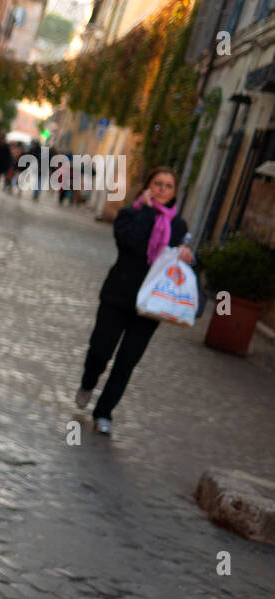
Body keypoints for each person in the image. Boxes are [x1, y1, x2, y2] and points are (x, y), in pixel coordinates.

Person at [75, 166, 194, 436]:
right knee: (100, 351)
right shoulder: (130, 215)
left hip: (151, 305)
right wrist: (150, 212)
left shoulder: (179, 226)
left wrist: (188, 255)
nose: (163, 189)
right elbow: (130, 243)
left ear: (175, 192)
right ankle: (87, 382)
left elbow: (180, 261)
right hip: (118, 296)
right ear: (147, 187)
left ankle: (104, 412)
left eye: (168, 186)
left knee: (126, 362)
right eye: (158, 184)